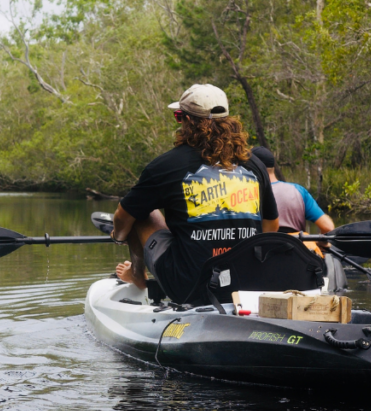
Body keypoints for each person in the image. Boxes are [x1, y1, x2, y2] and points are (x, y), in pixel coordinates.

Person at [110, 84, 279, 304]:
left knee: (141, 212)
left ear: (188, 121)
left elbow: (123, 217)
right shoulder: (255, 165)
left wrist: (119, 237)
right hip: (245, 282)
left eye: (178, 116)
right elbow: (271, 226)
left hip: (190, 287)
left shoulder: (165, 166)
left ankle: (137, 275)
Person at [249, 146, 335, 234]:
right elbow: (328, 227)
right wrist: (319, 242)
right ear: (273, 167)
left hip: (264, 245)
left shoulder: (248, 194)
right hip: (295, 247)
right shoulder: (299, 191)